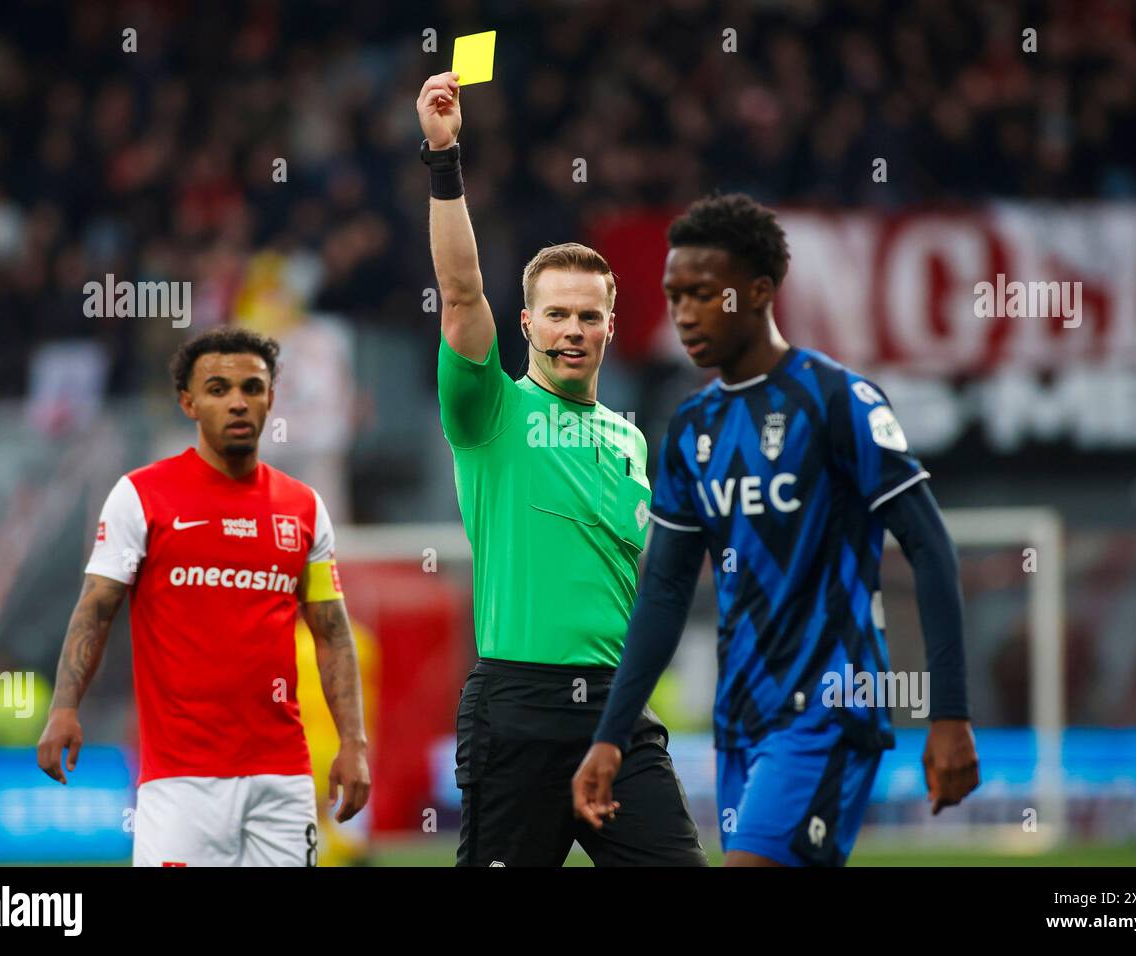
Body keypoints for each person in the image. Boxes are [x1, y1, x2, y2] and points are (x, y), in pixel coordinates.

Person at [573, 193, 980, 866]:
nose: (683, 313)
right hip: (740, 719)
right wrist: (610, 736)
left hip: (827, 709)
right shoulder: (691, 429)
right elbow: (665, 590)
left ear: (758, 292)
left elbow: (930, 546)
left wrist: (951, 713)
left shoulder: (836, 400)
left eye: (703, 294)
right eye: (674, 295)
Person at [417, 71, 706, 866]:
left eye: (588, 315)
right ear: (526, 323)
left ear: (611, 327)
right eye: (556, 314)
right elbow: (458, 290)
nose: (572, 329)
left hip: (618, 718)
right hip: (516, 710)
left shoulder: (628, 439)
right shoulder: (491, 412)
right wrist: (443, 157)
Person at [36, 326, 370, 867]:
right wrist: (64, 708)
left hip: (282, 779)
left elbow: (332, 634)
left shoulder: (303, 508)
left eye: (252, 388)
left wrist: (353, 744)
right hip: (180, 782)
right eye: (218, 389)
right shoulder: (141, 496)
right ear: (188, 402)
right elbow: (96, 608)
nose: (237, 402)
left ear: (271, 399)